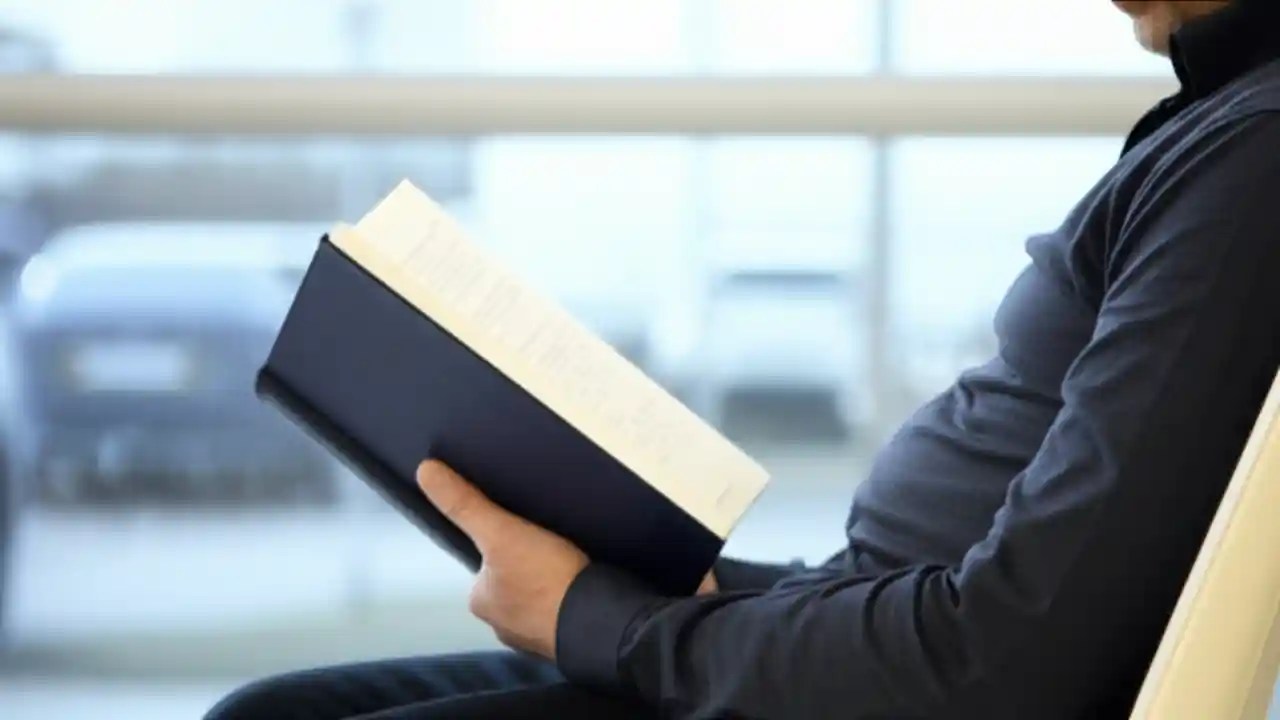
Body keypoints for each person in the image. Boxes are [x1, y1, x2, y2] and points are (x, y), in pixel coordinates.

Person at [208, 1, 1280, 717]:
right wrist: (708, 595)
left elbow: (1016, 653)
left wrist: (601, 620)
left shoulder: (1249, 159)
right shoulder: (1220, 129)